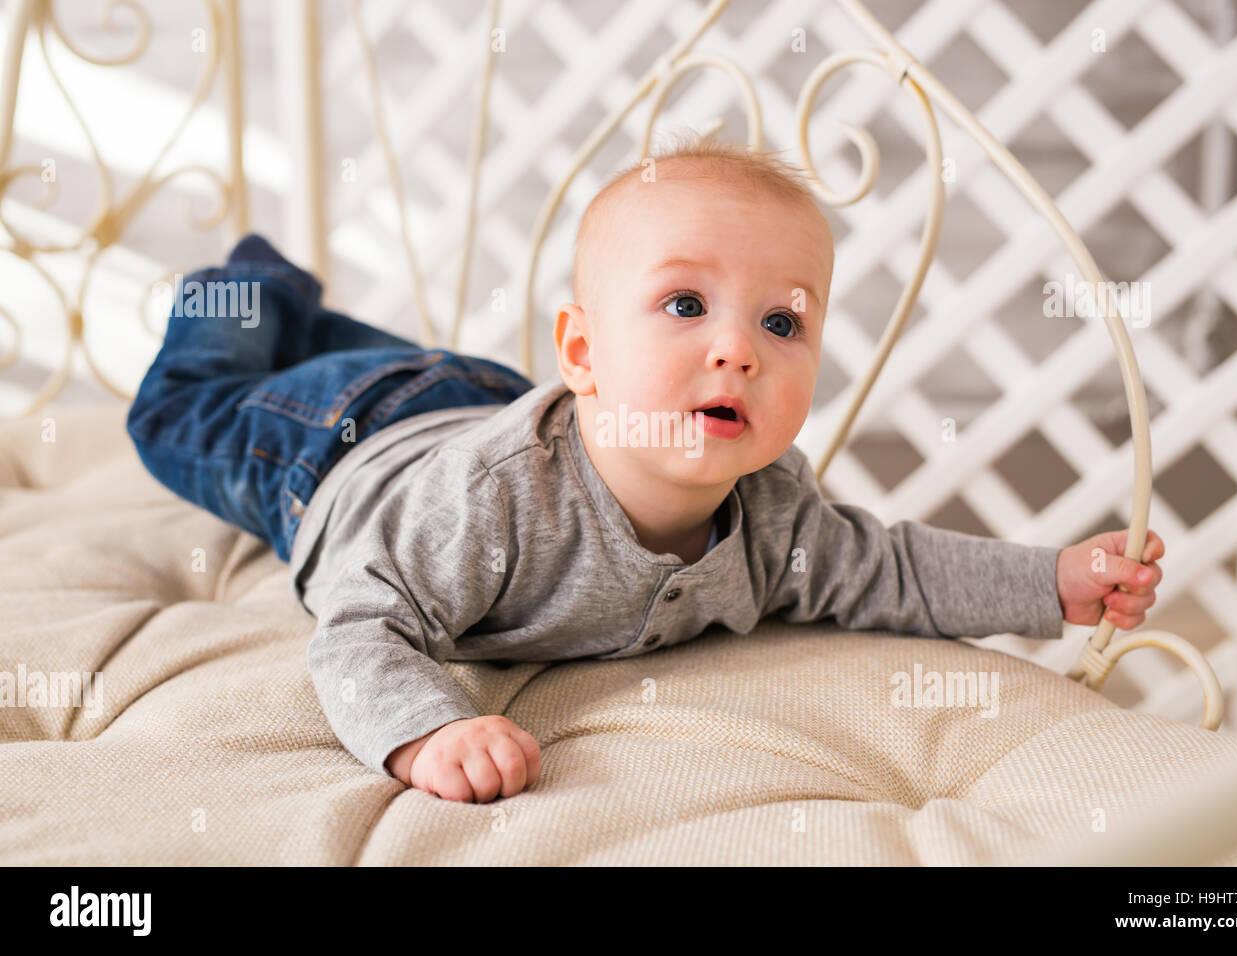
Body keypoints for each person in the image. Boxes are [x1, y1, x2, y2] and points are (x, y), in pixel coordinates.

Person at [127, 137, 1165, 805]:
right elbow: (362, 618)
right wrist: (424, 730)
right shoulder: (493, 508)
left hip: (482, 391)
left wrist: (1050, 581)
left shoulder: (773, 510)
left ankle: (311, 320)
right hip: (344, 446)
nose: (738, 349)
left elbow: (890, 569)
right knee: (174, 416)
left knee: (406, 363)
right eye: (684, 304)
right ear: (581, 351)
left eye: (781, 320)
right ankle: (248, 289)